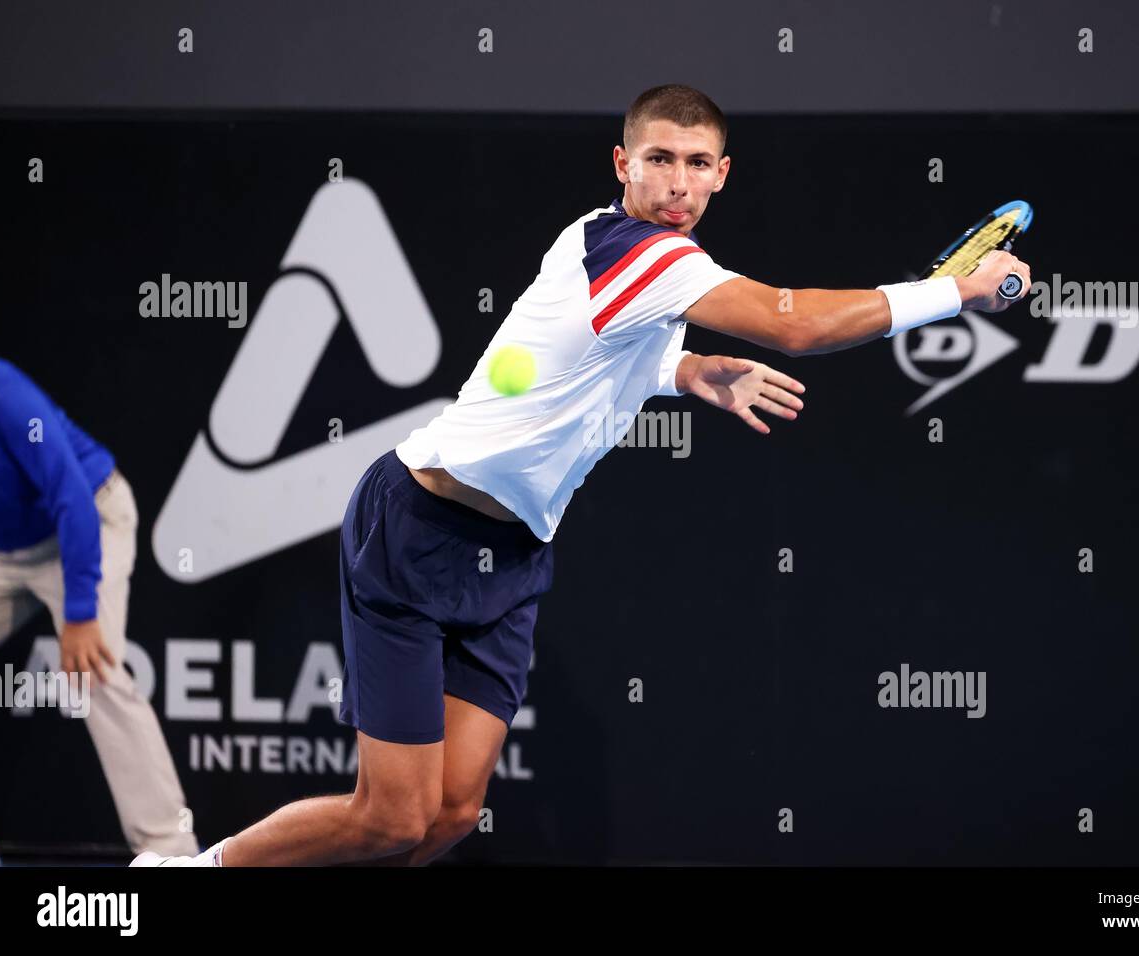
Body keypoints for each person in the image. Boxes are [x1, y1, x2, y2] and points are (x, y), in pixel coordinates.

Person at [135, 83, 1029, 867]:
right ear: (622, 163)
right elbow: (791, 324)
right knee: (389, 814)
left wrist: (687, 372)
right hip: (417, 526)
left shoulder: (622, 253)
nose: (677, 182)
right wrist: (958, 292)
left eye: (698, 163)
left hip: (514, 554)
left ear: (724, 174)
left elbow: (607, 350)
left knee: (451, 814)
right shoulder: (644, 252)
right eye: (659, 159)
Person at [0, 355, 198, 858]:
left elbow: (72, 499)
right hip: (3, 549)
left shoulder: (9, 399)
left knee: (95, 674)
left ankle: (172, 850)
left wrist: (81, 613)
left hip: (89, 519)